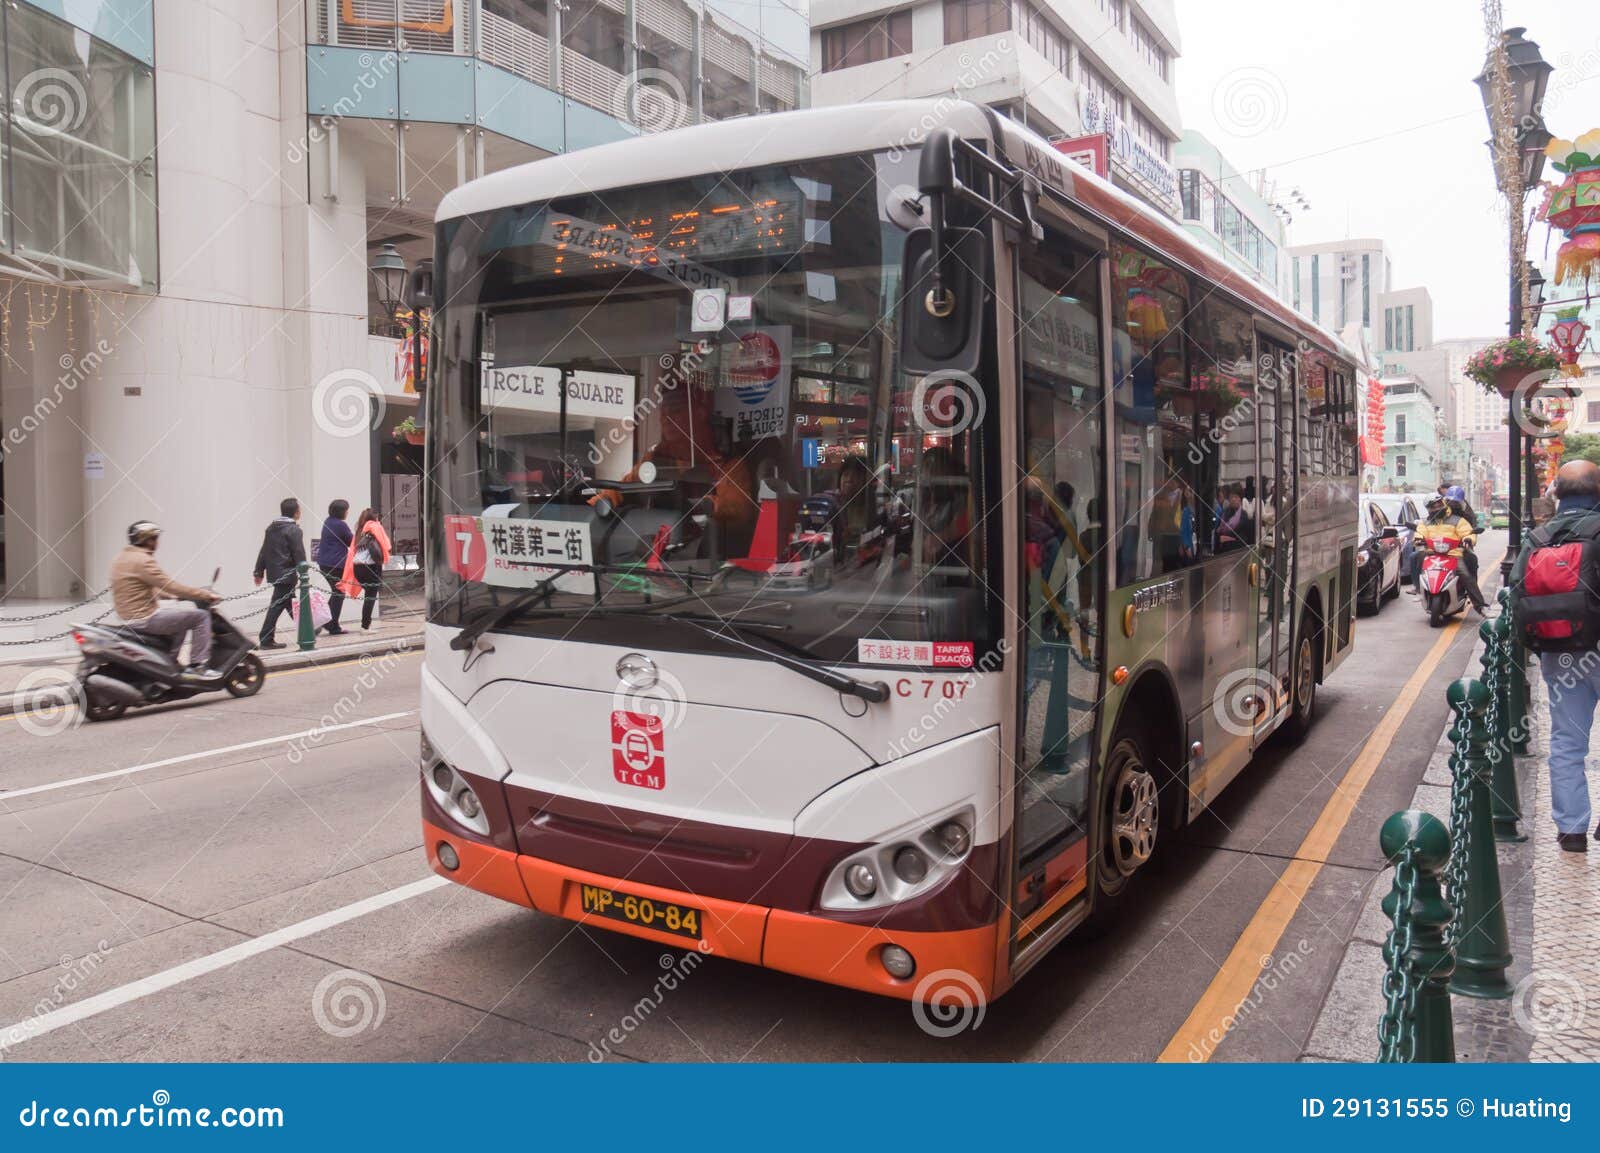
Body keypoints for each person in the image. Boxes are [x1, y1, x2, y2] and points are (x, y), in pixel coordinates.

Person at [1510, 459, 1600, 852]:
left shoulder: (1539, 537)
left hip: (1561, 651)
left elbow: (1516, 591)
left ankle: (1572, 831)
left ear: (1557, 494)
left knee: (1566, 741)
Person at [109, 522, 221, 681]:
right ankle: (197, 666)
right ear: (148, 540)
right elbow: (170, 585)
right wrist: (203, 595)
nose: (157, 542)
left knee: (180, 618)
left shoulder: (121, 558)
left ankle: (169, 664)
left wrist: (171, 596)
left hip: (127, 617)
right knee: (200, 617)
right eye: (156, 538)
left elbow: (141, 586)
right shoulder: (143, 560)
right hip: (144, 618)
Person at [1412, 493, 1487, 614]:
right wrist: (1418, 539)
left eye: (1439, 504)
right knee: (1417, 558)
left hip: (1454, 554)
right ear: (1428, 509)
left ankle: (1480, 606)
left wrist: (1468, 539)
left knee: (1465, 575)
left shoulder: (1458, 520)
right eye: (1433, 506)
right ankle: (1418, 590)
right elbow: (1420, 532)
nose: (1437, 508)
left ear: (1443, 503)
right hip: (1432, 554)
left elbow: (1468, 533)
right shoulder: (1425, 522)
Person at [254, 497, 307, 649]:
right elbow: (298, 552)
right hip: (287, 573)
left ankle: (309, 628)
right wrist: (303, 571)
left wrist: (259, 571)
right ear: (296, 512)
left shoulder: (271, 528)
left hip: (275, 572)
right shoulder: (294, 530)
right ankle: (265, 639)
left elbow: (264, 551)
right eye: (299, 509)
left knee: (289, 602)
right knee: (276, 606)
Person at [340, 509, 392, 630]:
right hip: (371, 566)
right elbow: (387, 544)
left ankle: (366, 625)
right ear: (374, 518)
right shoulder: (375, 526)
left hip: (358, 567)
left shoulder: (359, 530)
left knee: (369, 596)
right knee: (370, 597)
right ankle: (365, 627)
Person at [314, 499, 353, 635]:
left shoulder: (328, 521)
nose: (347, 513)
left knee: (336, 592)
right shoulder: (340, 525)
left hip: (325, 563)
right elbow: (351, 541)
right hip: (335, 564)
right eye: (346, 510)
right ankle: (331, 625)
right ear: (341, 511)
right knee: (339, 592)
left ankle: (329, 623)